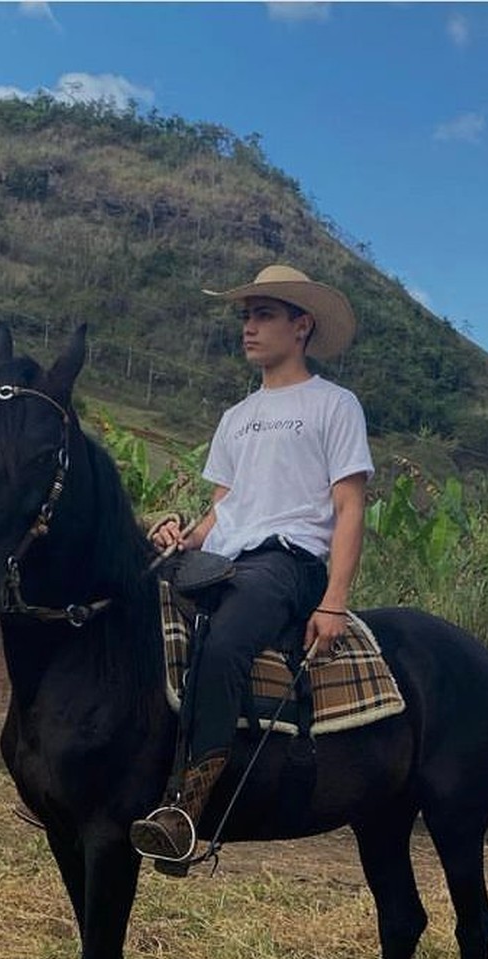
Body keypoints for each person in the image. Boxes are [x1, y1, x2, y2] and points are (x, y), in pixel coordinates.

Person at [130, 264, 374, 868]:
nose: (249, 327)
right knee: (126, 600)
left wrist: (334, 601)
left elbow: (349, 507)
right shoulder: (236, 417)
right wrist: (181, 536)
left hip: (287, 565)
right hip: (221, 559)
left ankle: (189, 807)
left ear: (302, 326)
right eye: (246, 316)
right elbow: (223, 510)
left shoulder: (334, 405)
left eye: (263, 315)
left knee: (222, 646)